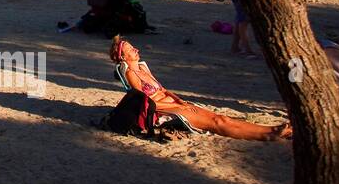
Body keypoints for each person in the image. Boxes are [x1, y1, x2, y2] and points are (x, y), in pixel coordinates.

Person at [110, 37, 291, 140]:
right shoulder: (130, 74)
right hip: (167, 112)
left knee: (221, 117)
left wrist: (180, 100)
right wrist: (179, 107)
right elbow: (146, 103)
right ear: (123, 58)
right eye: (130, 49)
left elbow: (163, 90)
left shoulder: (143, 68)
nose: (136, 49)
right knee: (217, 123)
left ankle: (271, 129)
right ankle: (268, 134)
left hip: (177, 105)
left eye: (133, 46)